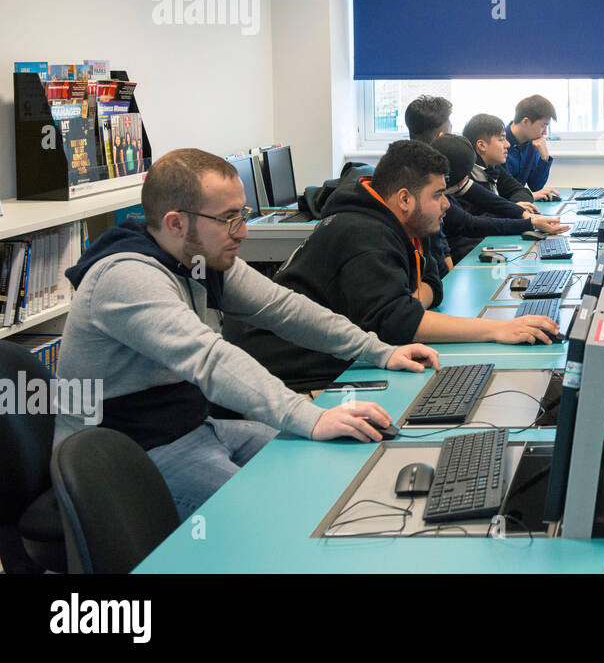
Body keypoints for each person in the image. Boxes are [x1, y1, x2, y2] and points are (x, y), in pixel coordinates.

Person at [54, 148, 439, 519]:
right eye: (228, 218)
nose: (243, 232)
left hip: (194, 426)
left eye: (243, 214)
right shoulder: (126, 278)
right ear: (176, 223)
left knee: (330, 469)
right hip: (128, 452)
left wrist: (379, 351)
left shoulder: (199, 259)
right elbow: (210, 358)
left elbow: (284, 309)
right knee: (274, 512)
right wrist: (308, 417)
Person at [232, 140, 559, 392]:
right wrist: (496, 329)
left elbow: (432, 277)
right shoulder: (363, 234)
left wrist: (410, 305)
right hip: (293, 376)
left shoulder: (400, 222)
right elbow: (399, 323)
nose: (446, 204)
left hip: (337, 360)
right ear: (404, 198)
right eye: (438, 195)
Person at [428, 133, 568, 264]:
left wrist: (523, 214)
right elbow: (472, 224)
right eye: (501, 139)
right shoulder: (437, 201)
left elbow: (491, 201)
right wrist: (531, 224)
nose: (507, 144)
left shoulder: (455, 182)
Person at [463, 113, 539, 210]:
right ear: (482, 145)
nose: (507, 144)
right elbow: (481, 217)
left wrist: (514, 207)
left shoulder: (493, 167)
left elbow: (521, 191)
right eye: (501, 139)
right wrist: (511, 209)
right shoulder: (467, 176)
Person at [505, 94, 560, 200]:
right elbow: (500, 192)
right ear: (525, 121)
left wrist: (545, 158)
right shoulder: (498, 143)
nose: (544, 133)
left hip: (519, 205)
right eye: (543, 125)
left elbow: (536, 186)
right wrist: (529, 196)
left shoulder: (532, 143)